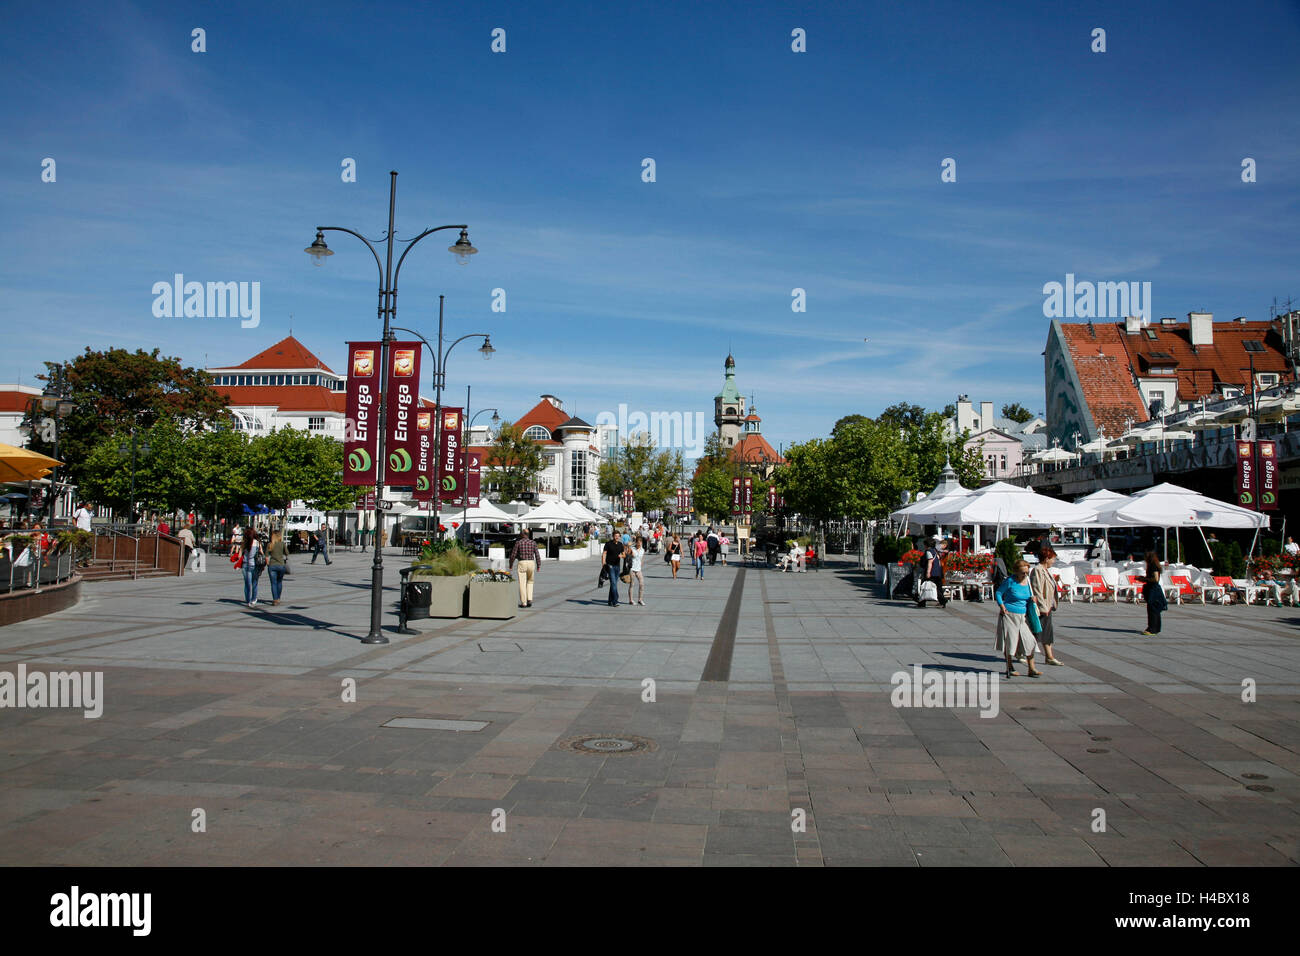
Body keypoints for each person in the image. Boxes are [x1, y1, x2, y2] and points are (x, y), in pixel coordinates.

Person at [996, 559, 1041, 678]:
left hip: (1024, 616)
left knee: (1030, 641)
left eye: (1027, 572)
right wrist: (1002, 606)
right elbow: (999, 593)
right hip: (1009, 615)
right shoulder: (1010, 581)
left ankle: (1031, 668)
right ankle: (1009, 667)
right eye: (1022, 572)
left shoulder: (1028, 581)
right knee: (1010, 642)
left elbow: (1030, 596)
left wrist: (1033, 600)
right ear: (1016, 571)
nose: (1025, 574)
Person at [1031, 546, 1062, 665]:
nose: (1053, 561)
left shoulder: (1045, 570)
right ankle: (1020, 652)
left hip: (1047, 606)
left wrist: (1055, 581)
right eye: (1052, 559)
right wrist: (1043, 607)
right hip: (1041, 608)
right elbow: (1036, 589)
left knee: (1047, 632)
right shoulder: (1038, 570)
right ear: (1046, 558)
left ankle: (1049, 656)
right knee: (1035, 632)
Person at [508, 528, 541, 608]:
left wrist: (511, 564)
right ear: (528, 534)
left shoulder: (518, 543)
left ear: (522, 534)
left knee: (522, 583)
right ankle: (529, 599)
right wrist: (538, 565)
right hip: (531, 563)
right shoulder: (533, 543)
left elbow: (513, 554)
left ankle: (524, 602)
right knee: (530, 581)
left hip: (522, 562)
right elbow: (537, 554)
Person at [1141, 551, 1165, 635]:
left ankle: (1152, 629)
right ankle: (1155, 628)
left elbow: (1155, 579)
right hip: (1152, 588)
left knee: (1153, 609)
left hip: (1153, 589)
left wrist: (1144, 579)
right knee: (1154, 609)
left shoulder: (1153, 565)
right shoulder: (1153, 565)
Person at [239, 527, 263, 607]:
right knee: (254, 582)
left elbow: (239, 555)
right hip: (254, 564)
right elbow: (261, 553)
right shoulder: (257, 542)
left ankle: (248, 600)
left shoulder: (244, 542)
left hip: (245, 564)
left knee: (247, 583)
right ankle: (253, 599)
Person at [266, 529, 289, 605]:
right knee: (279, 582)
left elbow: (266, 556)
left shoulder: (270, 544)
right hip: (281, 565)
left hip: (272, 565)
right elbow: (287, 553)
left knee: (273, 583)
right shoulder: (282, 544)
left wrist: (268, 564)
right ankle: (278, 598)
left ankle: (275, 599)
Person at [603, 531, 626, 607]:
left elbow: (624, 555)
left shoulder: (620, 545)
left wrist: (621, 556)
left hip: (617, 566)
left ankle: (610, 600)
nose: (617, 537)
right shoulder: (608, 544)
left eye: (618, 536)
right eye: (615, 536)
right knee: (613, 583)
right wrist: (603, 564)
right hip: (610, 566)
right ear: (613, 536)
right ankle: (615, 600)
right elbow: (604, 553)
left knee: (614, 584)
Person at [629, 535, 646, 605]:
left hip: (638, 569)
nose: (639, 543)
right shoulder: (632, 548)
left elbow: (642, 558)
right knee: (632, 584)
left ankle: (640, 599)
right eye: (638, 542)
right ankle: (631, 600)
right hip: (632, 569)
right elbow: (628, 554)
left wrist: (641, 564)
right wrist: (628, 546)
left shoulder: (642, 550)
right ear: (636, 542)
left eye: (640, 542)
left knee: (642, 584)